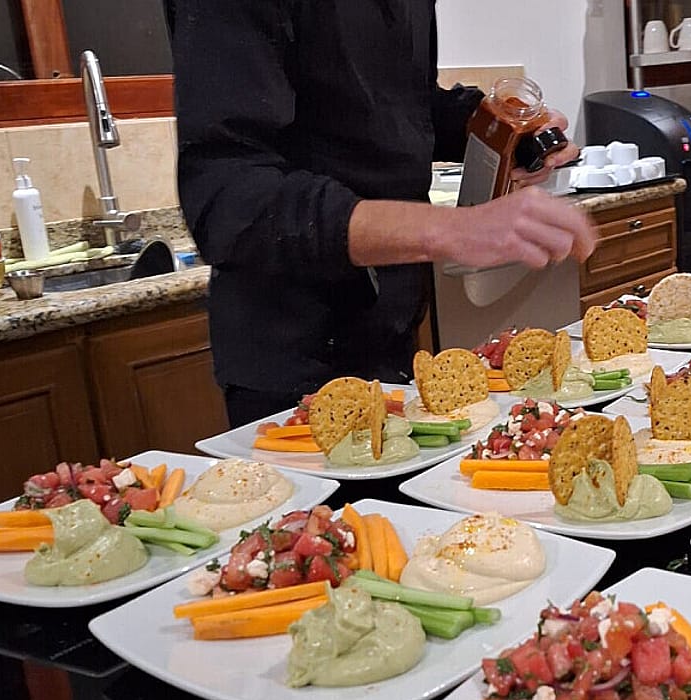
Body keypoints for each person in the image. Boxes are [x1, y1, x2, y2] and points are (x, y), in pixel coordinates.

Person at [166, 1, 595, 426]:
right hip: (293, 356)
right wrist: (452, 228)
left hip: (390, 332)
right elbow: (229, 200)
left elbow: (407, 108)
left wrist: (504, 132)